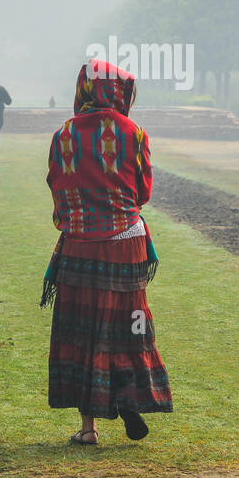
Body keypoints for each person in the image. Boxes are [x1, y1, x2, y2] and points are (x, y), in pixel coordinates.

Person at [41, 59, 171, 446]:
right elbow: (143, 192)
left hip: (80, 245)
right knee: (127, 325)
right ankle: (130, 396)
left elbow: (56, 186)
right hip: (127, 243)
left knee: (84, 331)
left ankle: (89, 428)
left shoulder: (63, 136)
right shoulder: (134, 133)